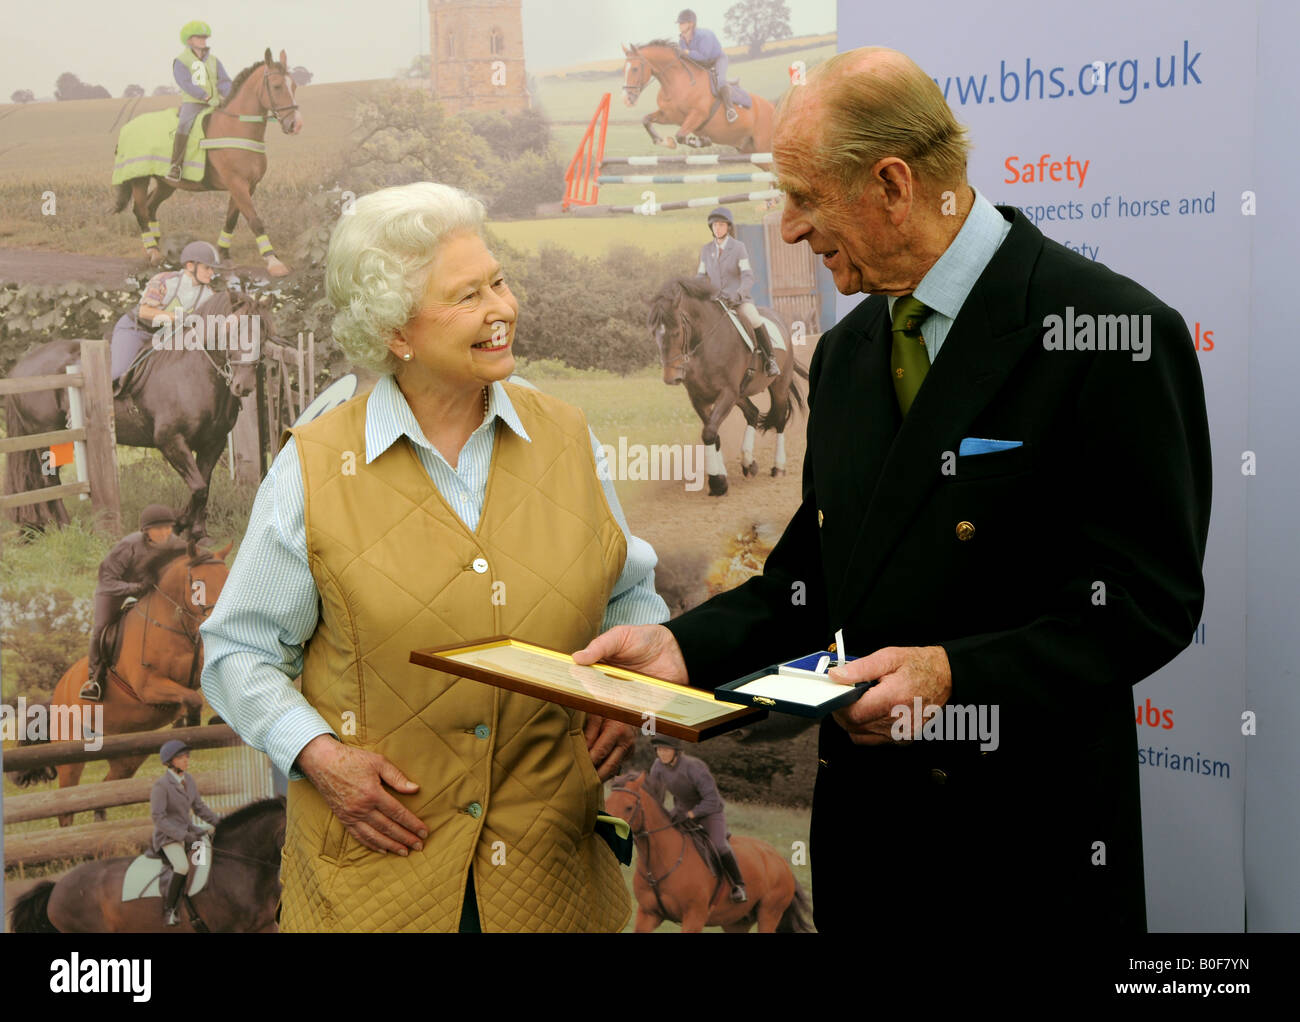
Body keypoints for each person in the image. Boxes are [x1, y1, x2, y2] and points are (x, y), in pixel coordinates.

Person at [576, 46, 1212, 936]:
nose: (788, 228)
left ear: (891, 184)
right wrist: (682, 651)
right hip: (874, 855)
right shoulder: (845, 354)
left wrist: (955, 676)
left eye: (803, 196)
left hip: (1028, 862)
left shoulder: (1111, 334)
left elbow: (1150, 601)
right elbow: (814, 584)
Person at [199, 181, 671, 933]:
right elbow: (238, 651)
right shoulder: (316, 464)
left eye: (499, 282)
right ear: (397, 332)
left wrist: (623, 682)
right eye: (467, 297)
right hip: (373, 888)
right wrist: (319, 756)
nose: (501, 310)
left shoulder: (568, 435)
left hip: (552, 883)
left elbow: (631, 599)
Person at [79, 504, 188, 702]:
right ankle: (94, 679)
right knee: (100, 629)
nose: (165, 533)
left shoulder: (175, 543)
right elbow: (107, 580)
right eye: (159, 529)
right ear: (146, 531)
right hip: (114, 590)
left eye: (168, 527)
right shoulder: (128, 546)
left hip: (148, 588)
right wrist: (136, 588)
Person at [645, 735, 746, 902]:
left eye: (666, 750)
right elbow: (656, 795)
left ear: (676, 752)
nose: (661, 754)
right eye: (659, 750)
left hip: (710, 812)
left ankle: (739, 885)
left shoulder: (694, 767)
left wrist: (692, 814)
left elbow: (712, 799)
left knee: (720, 847)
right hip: (682, 809)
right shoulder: (657, 766)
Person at [109, 240, 223, 386]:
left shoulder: (209, 295)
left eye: (213, 269)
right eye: (207, 268)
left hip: (165, 337)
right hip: (137, 329)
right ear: (190, 266)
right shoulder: (164, 280)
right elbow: (145, 311)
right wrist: (180, 318)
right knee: (120, 374)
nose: (212, 273)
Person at [697, 206, 780, 377]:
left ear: (728, 227)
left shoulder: (738, 247)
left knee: (754, 318)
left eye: (721, 225)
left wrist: (738, 294)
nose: (717, 228)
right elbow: (700, 276)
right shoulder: (706, 250)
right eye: (714, 225)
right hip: (715, 302)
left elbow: (748, 276)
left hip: (738, 301)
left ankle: (770, 359)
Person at [149, 739, 221, 926]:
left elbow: (199, 807)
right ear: (170, 761)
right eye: (181, 757)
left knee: (211, 848)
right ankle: (170, 909)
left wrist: (220, 823)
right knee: (182, 866)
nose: (186, 760)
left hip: (189, 830)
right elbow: (158, 817)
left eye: (187, 756)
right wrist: (182, 835)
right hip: (168, 837)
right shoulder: (161, 786)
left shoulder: (188, 780)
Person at [166, 20, 232, 183]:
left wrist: (231, 96)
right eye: (199, 37)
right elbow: (185, 83)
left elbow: (224, 81)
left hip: (216, 101)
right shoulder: (181, 60)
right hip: (194, 102)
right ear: (189, 40)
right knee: (184, 126)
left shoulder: (214, 60)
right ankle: (176, 166)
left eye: (205, 37)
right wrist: (205, 97)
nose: (203, 40)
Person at [676, 9, 737, 123]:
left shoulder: (704, 35)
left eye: (682, 23)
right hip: (701, 64)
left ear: (691, 24)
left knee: (720, 82)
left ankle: (730, 110)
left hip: (717, 60)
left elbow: (704, 56)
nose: (679, 26)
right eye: (679, 23)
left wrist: (687, 53)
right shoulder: (682, 40)